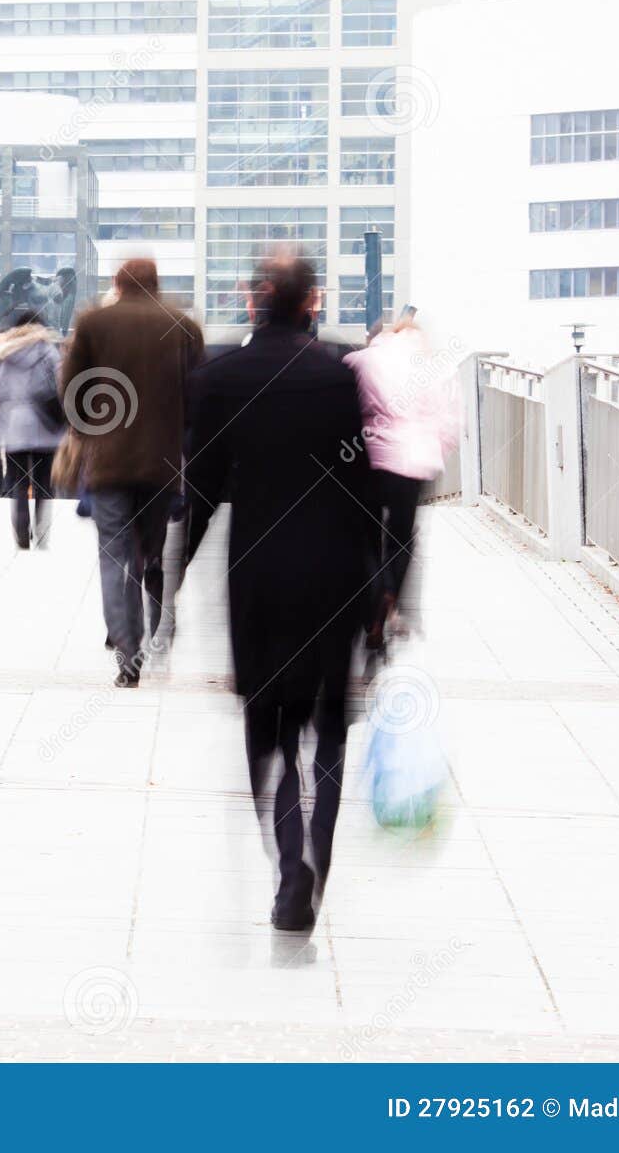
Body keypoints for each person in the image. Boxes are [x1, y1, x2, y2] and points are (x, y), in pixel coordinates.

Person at [185, 252, 374, 933]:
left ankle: (291, 861)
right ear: (311, 301)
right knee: (328, 728)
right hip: (335, 576)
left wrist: (169, 580)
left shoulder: (222, 378)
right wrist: (382, 588)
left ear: (253, 298)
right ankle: (318, 852)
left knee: (269, 728)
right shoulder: (339, 378)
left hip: (259, 576)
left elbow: (202, 491)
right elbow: (365, 488)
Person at [60, 259, 204, 687]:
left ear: (118, 284)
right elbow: (199, 396)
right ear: (156, 284)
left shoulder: (94, 323)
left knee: (112, 556)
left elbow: (72, 389)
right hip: (161, 466)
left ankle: (127, 653)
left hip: (108, 464)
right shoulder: (182, 327)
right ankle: (155, 623)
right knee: (146, 554)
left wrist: (89, 429)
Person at [346, 314, 458, 650]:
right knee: (401, 538)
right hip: (413, 462)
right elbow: (449, 423)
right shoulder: (436, 369)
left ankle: (371, 604)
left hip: (367, 458)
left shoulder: (362, 360)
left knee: (366, 535)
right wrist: (436, 451)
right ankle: (389, 591)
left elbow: (344, 405)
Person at [0, 310, 64, 548]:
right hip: (45, 426)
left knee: (18, 483)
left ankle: (22, 535)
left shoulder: (2, 352)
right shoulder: (48, 350)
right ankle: (42, 534)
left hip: (14, 427)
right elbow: (61, 384)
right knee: (44, 484)